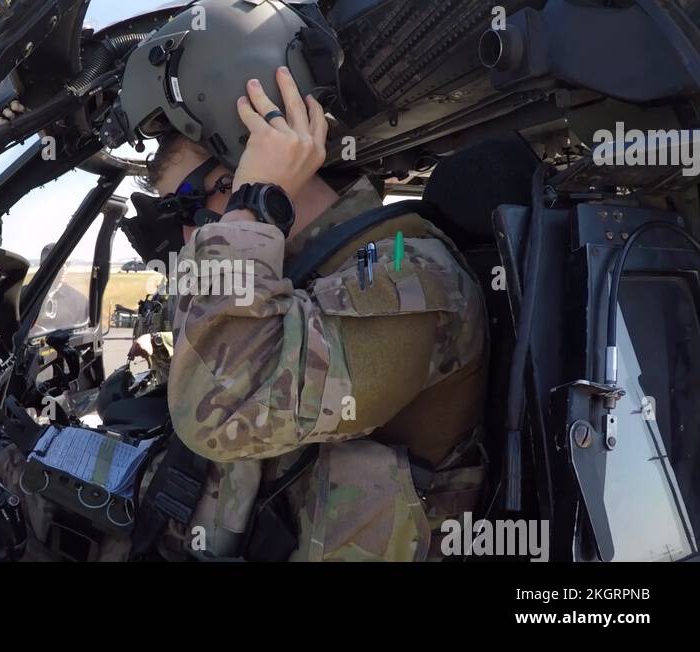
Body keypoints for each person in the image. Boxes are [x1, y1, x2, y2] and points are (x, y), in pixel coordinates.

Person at [113, 0, 489, 561]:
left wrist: (252, 205)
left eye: (183, 209)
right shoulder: (301, 270)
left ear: (246, 158)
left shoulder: (407, 272)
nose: (187, 238)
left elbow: (223, 410)